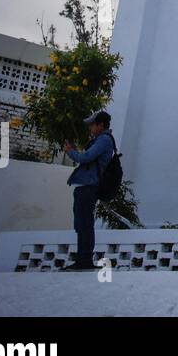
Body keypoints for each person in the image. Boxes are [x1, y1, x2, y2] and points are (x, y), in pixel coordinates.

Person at [63, 110, 116, 271]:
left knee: (84, 223)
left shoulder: (104, 140)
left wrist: (71, 151)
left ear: (101, 125)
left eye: (93, 124)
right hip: (86, 186)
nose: (91, 128)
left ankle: (84, 259)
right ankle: (82, 258)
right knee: (82, 223)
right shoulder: (99, 140)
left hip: (89, 186)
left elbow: (86, 157)